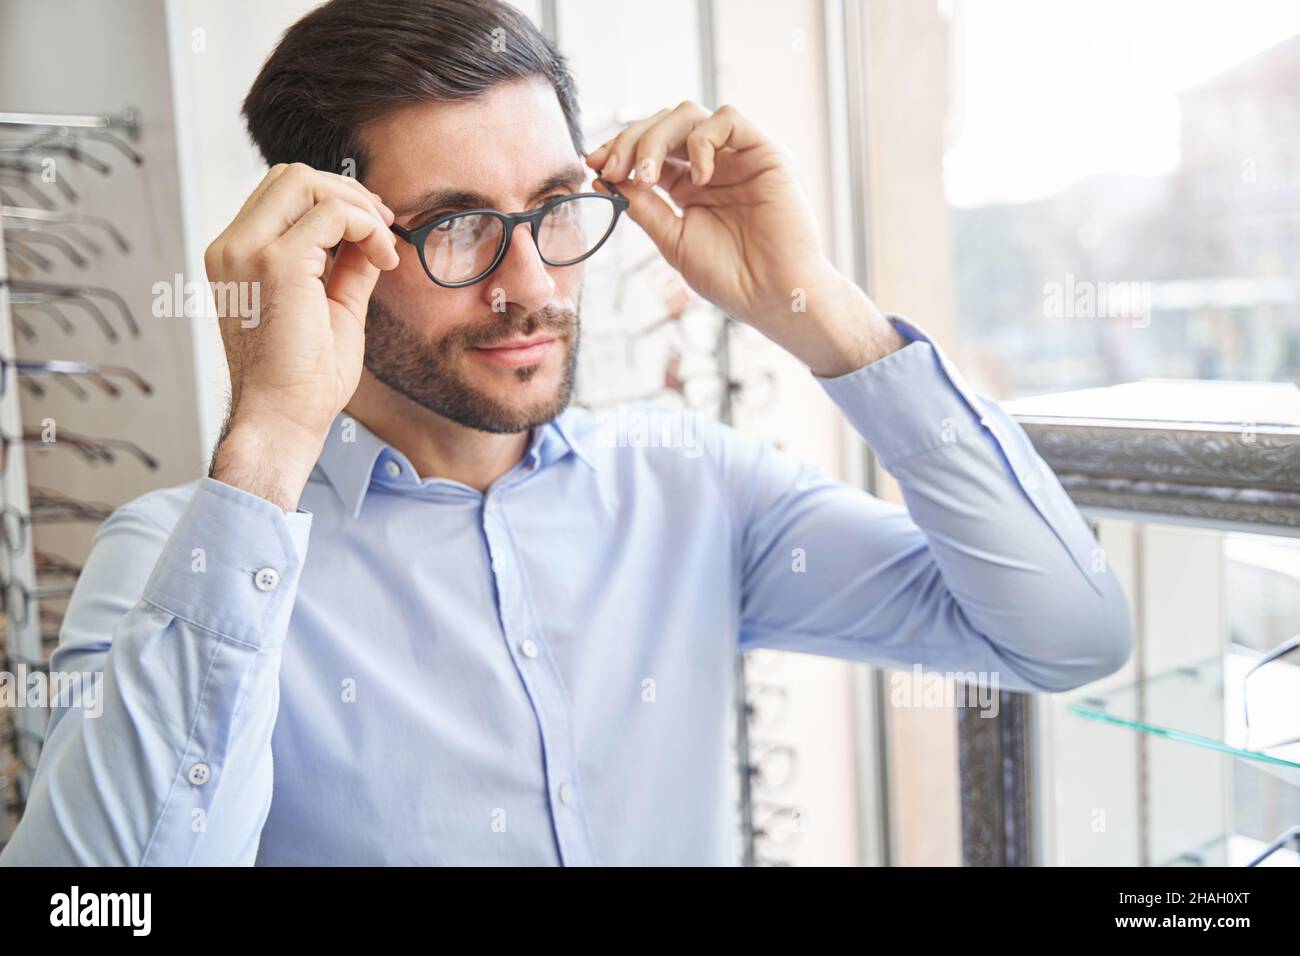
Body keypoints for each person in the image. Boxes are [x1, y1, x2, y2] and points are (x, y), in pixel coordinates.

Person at [0, 0, 1131, 866]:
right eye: (455, 228)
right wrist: (265, 446)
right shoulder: (178, 558)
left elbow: (1066, 633)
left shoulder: (696, 487)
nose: (530, 285)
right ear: (329, 244)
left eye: (550, 208)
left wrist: (817, 307)